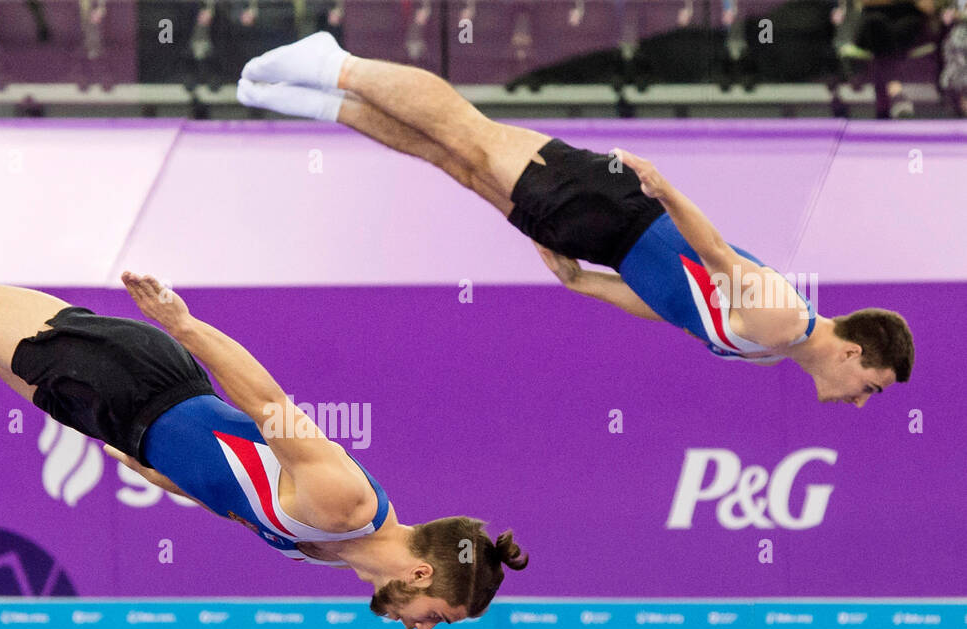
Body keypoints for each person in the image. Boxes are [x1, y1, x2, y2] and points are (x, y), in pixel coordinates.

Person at [0, 171, 526, 629]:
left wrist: (165, 475)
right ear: (423, 572)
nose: (423, 628)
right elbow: (271, 405)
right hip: (145, 380)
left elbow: (231, 481)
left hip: (124, 419)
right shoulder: (348, 505)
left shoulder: (332, 555)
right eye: (438, 616)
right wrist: (184, 323)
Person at [237, 32, 915, 408]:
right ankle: (336, 64)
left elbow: (677, 306)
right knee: (471, 135)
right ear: (854, 353)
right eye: (871, 389)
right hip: (619, 210)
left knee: (459, 164)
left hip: (605, 244)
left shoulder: (775, 348)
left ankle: (319, 104)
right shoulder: (783, 319)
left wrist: (585, 286)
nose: (861, 400)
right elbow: (719, 259)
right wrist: (666, 190)